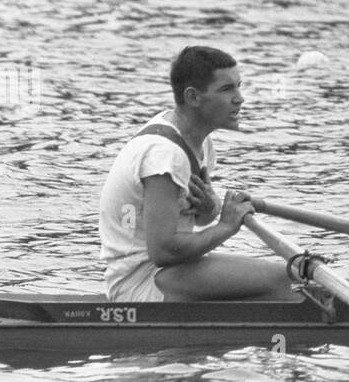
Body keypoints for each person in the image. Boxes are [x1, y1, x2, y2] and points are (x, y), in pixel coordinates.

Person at [99, 46, 296, 303]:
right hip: (142, 283)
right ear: (193, 97)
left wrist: (210, 208)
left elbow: (199, 220)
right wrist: (226, 227)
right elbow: (164, 251)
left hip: (172, 273)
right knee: (285, 280)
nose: (240, 98)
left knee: (288, 284)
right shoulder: (164, 155)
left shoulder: (198, 142)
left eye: (239, 86)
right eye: (227, 89)